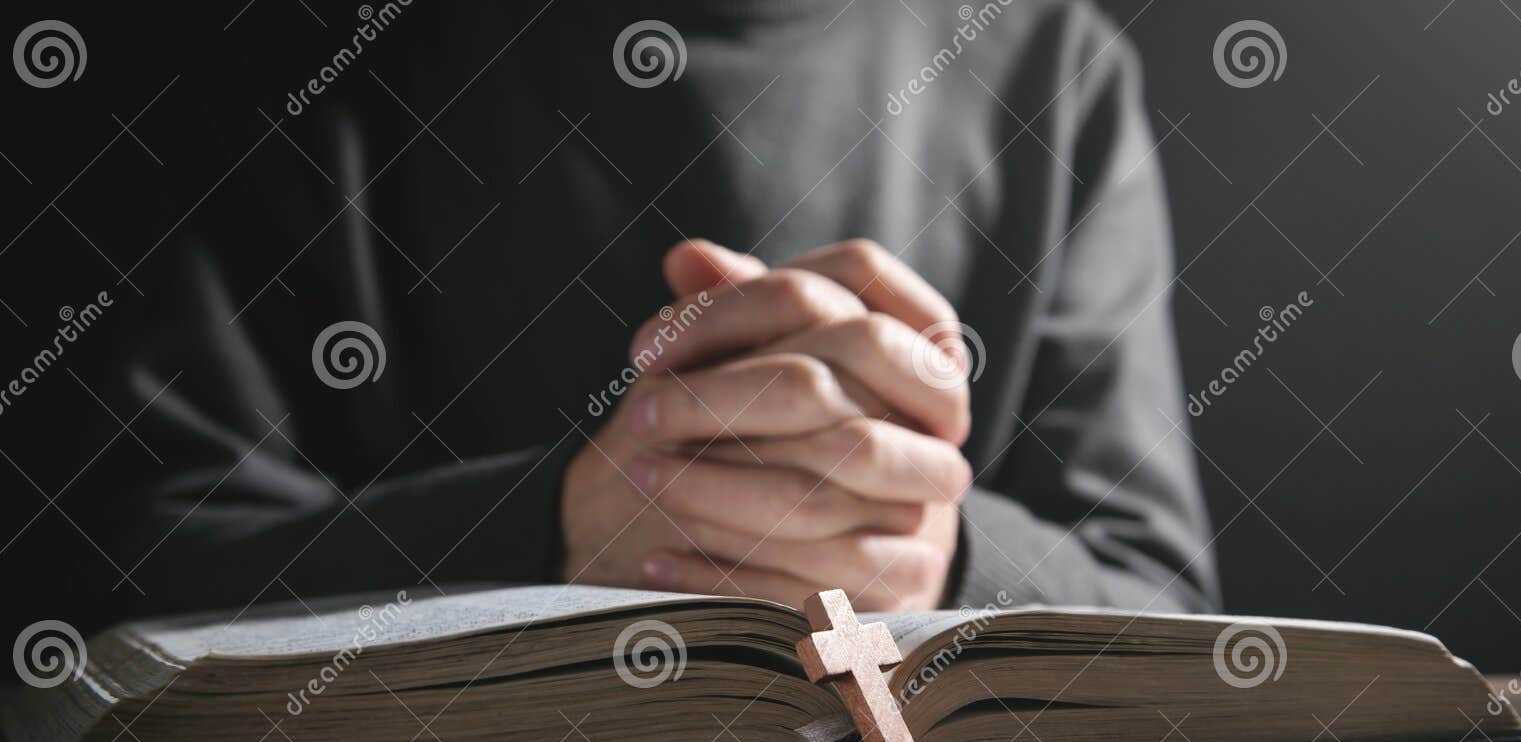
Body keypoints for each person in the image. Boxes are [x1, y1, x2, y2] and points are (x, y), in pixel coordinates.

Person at [60, 1, 1218, 624]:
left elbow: (1158, 598)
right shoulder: (270, 52)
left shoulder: (1056, 67)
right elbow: (109, 568)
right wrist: (557, 530)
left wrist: (934, 550)